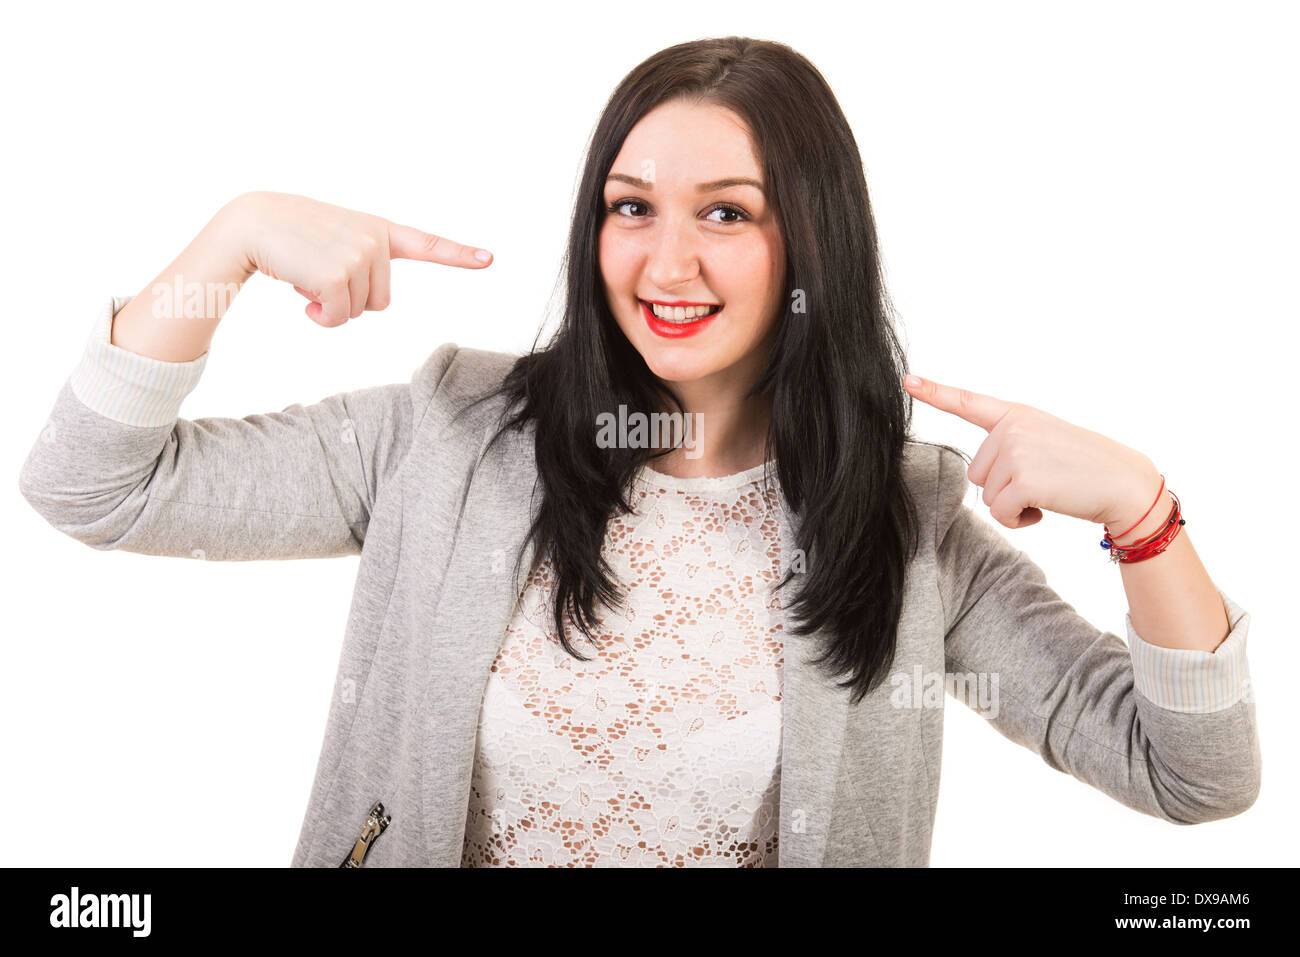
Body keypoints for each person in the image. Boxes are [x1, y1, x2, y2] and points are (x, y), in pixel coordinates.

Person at [18, 36, 1260, 868]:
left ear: (812, 242)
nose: (668, 263)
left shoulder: (908, 525)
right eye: (631, 207)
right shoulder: (446, 433)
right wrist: (228, 244)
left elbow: (1192, 776)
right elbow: (91, 485)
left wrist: (1142, 512)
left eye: (726, 213)